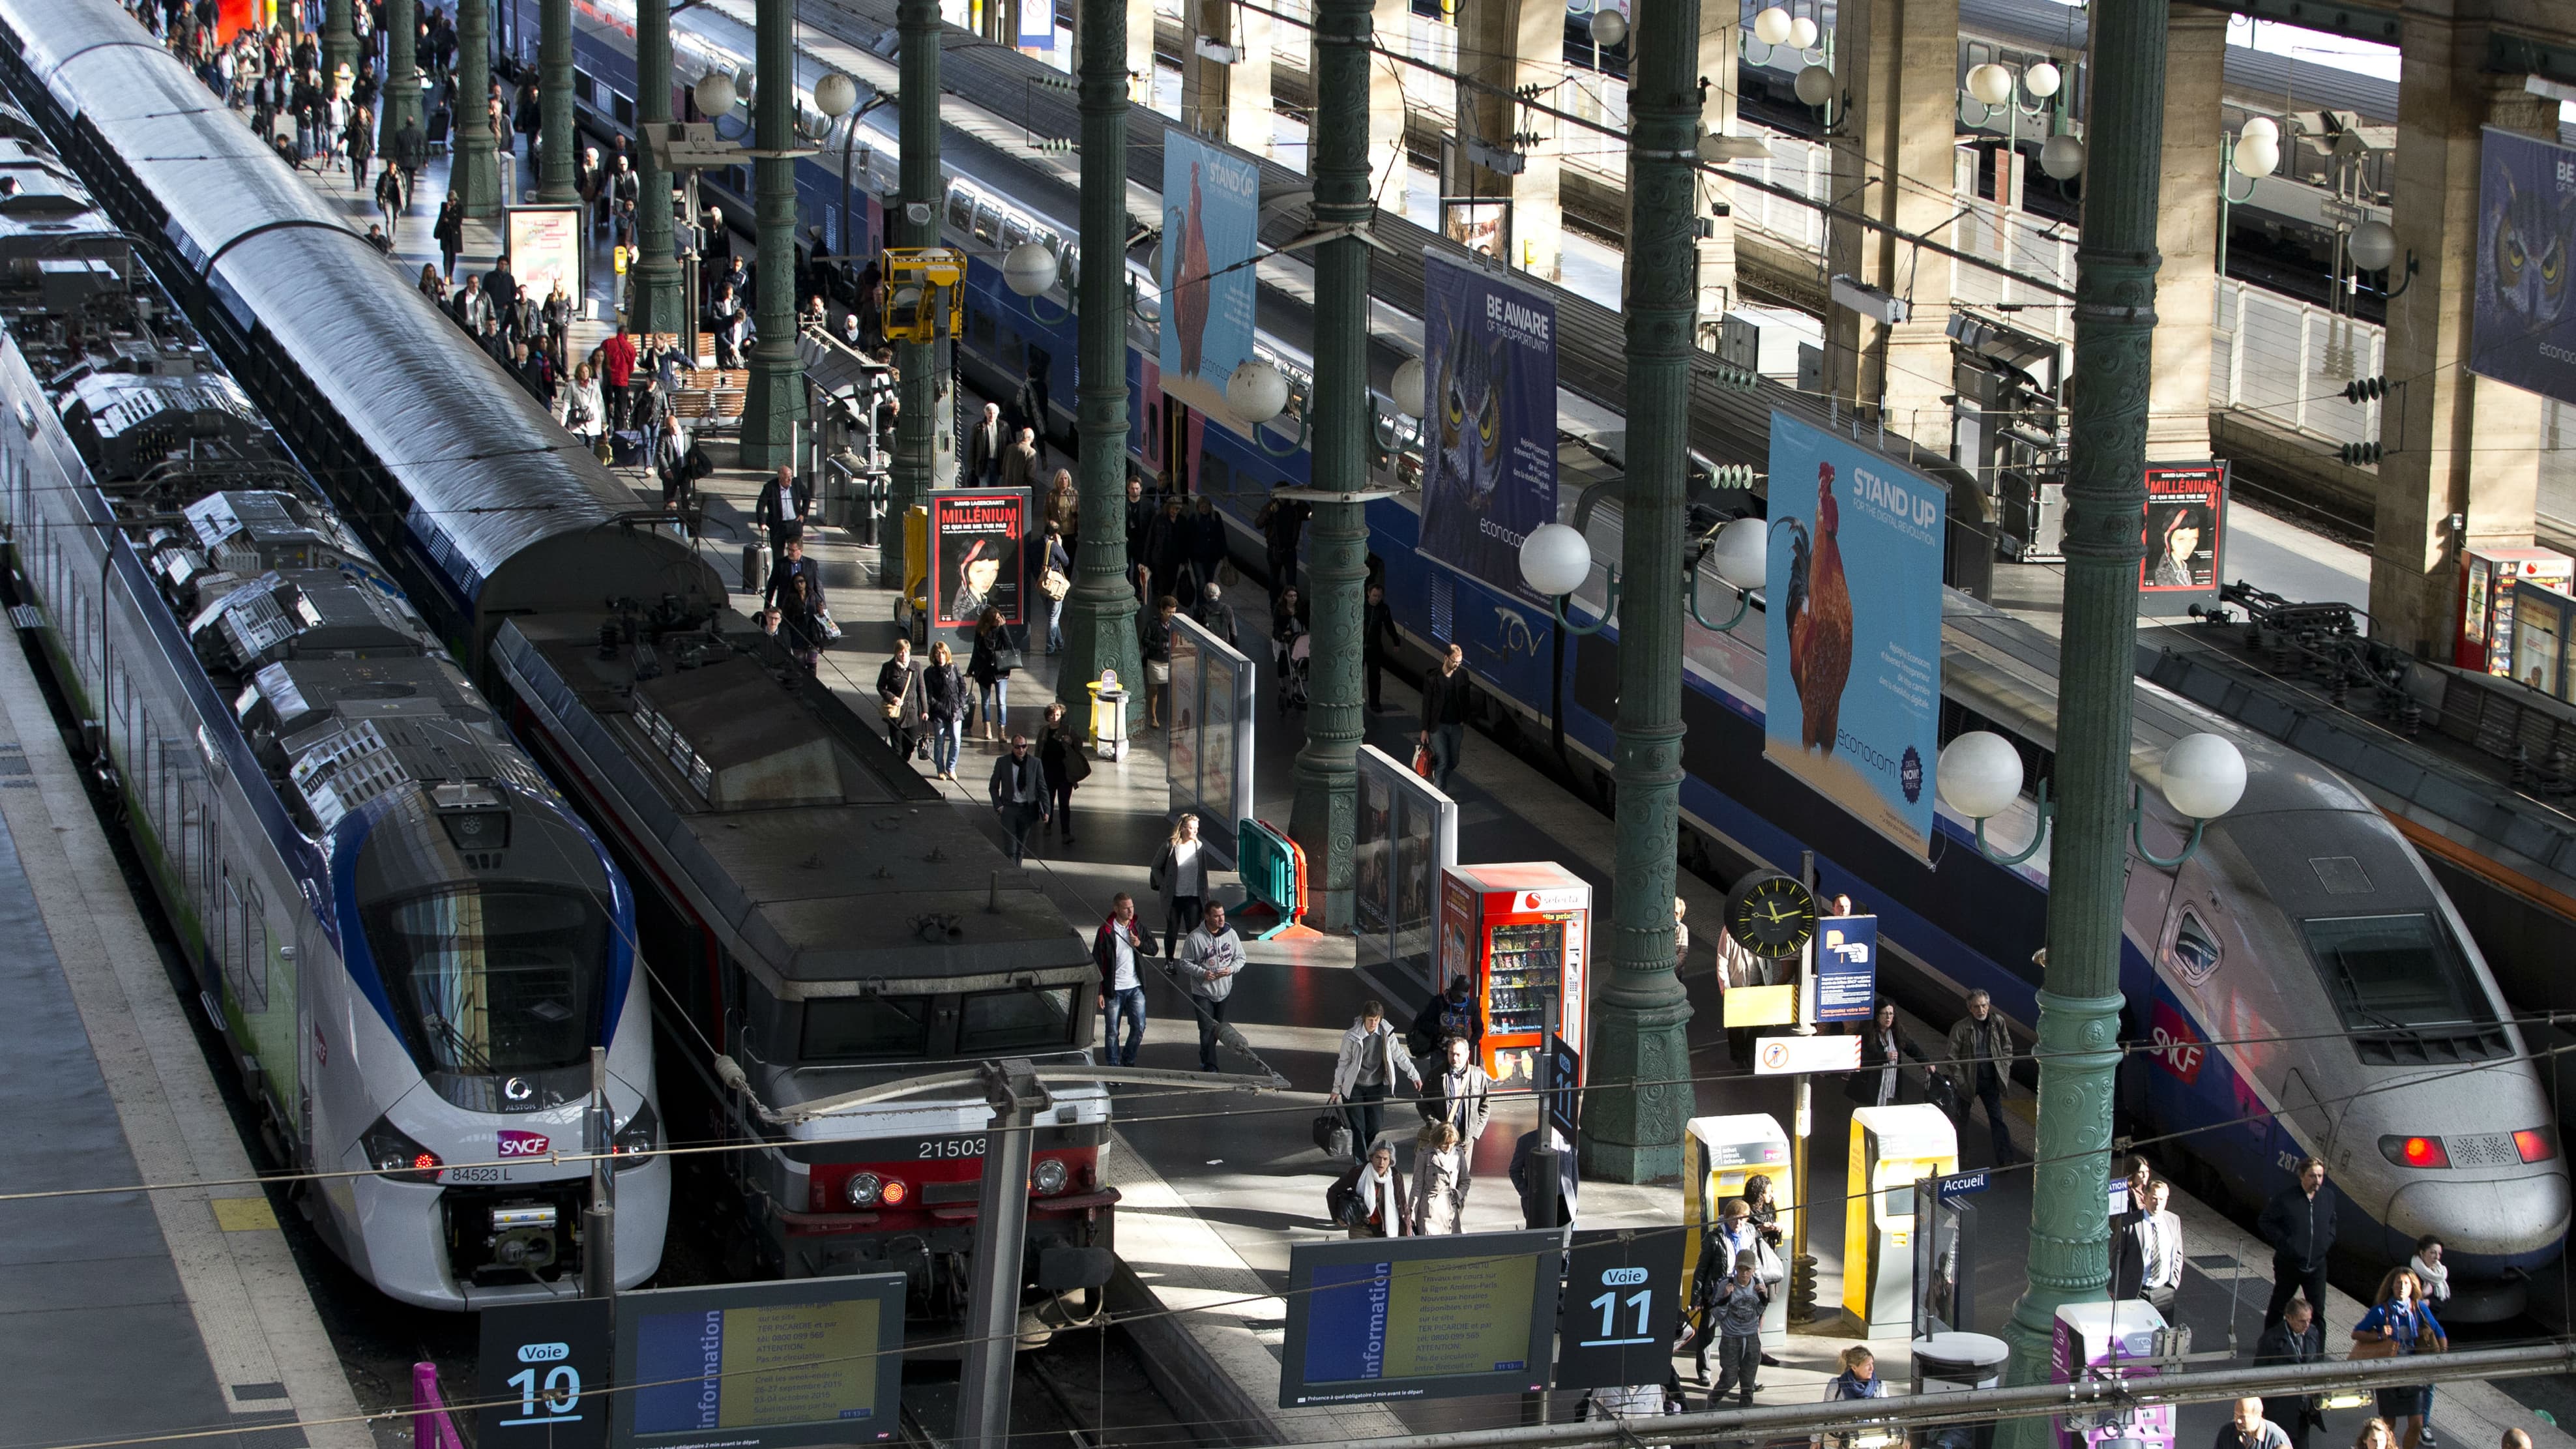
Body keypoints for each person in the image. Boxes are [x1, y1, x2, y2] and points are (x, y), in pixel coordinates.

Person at [2352, 1267, 2444, 1449]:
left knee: (2416, 1423)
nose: (2402, 1287)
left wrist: (2443, 1355)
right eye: (2398, 1283)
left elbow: (2439, 1331)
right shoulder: (2380, 1311)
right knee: (2388, 1424)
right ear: (2391, 1287)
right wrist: (2380, 1336)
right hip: (2389, 1374)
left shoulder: (2419, 1309)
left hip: (2412, 1373)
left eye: (2406, 1283)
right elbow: (2357, 1333)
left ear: (2413, 1287)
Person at [1327, 1001, 1422, 1164]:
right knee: (1358, 1127)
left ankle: (1361, 1150)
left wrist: (1414, 1075)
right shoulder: (1352, 1036)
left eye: (1376, 1020)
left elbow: (1399, 1055)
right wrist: (1336, 1088)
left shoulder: (1386, 1034)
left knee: (1375, 1126)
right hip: (1354, 1087)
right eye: (1370, 1020)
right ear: (1364, 1018)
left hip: (1375, 1086)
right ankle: (1361, 1164)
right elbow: (1343, 1063)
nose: (1373, 1024)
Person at [1945, 989, 2020, 1166]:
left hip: (1990, 1079)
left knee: (1997, 1119)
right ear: (1970, 1009)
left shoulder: (1998, 1022)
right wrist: (1961, 1081)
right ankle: (1960, 1160)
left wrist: (2004, 1067)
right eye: (1977, 1007)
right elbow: (1951, 1056)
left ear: (1989, 1006)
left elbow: (2007, 1047)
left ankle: (2006, 1160)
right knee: (1961, 1121)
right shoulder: (1961, 1027)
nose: (1981, 1010)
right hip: (1968, 1080)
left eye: (1984, 1005)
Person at [2261, 1157, 2336, 1332]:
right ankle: (2268, 1345)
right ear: (2302, 1176)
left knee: (2318, 1313)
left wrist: (2328, 1240)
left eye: (2320, 1176)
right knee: (2279, 1307)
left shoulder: (2328, 1197)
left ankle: (2317, 1354)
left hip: (2317, 1266)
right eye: (2312, 1176)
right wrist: (2286, 1243)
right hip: (2290, 1264)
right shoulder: (2287, 1199)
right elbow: (2266, 1221)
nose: (2317, 1181)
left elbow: (2332, 1221)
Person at [1175, 901, 1244, 1073]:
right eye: (1216, 916)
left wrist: (1230, 969)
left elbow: (1241, 958)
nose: (1221, 919)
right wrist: (1202, 973)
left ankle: (1205, 1054)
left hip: (1224, 991)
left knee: (1216, 1029)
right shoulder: (1195, 938)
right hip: (1202, 992)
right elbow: (1184, 963)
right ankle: (1211, 1065)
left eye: (1222, 915)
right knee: (1207, 1027)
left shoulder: (1231, 935)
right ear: (1207, 917)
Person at [2253, 1296, 2328, 1449]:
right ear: (2289, 1318)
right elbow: (2258, 1376)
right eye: (2302, 1321)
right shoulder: (2271, 1340)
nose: (2307, 1325)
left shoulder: (2313, 1333)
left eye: (2309, 1320)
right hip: (2281, 1410)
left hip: (2305, 1409)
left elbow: (2317, 1362)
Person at [1092, 893, 1154, 1067]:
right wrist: (1100, 992)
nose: (1130, 911)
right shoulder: (1105, 931)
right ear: (1116, 909)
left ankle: (1128, 1061)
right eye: (1126, 908)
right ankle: (1113, 1067)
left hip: (1135, 987)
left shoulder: (1137, 927)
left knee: (1139, 1028)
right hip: (1114, 990)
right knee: (1112, 1032)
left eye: (1132, 907)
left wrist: (1139, 944)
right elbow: (1097, 961)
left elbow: (1154, 949)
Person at [1700, 1250, 1769, 1404]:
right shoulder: (1726, 1284)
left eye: (1748, 1270)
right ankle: (1712, 1403)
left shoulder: (1758, 1285)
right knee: (1729, 1379)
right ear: (1736, 1268)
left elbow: (1759, 1311)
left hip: (1751, 1338)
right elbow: (1717, 1314)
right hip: (1731, 1339)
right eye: (1741, 1269)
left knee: (1748, 1384)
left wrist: (1764, 1299)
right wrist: (1725, 1298)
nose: (1744, 1274)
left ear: (1753, 1270)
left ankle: (1742, 1420)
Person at [2112, 1177, 2184, 1315]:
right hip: (2135, 1290)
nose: (2157, 1204)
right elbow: (2115, 1255)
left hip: (2164, 1292)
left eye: (2162, 1200)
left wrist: (2173, 1283)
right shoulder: (2128, 1223)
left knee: (2163, 1333)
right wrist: (2112, 1287)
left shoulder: (2174, 1221)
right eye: (2154, 1199)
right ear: (2145, 1198)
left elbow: (2178, 1253)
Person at [2409, 1236, 2452, 1444]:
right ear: (2421, 1253)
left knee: (2429, 1383)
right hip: (2413, 1336)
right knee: (2412, 1383)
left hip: (2430, 1335)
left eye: (2439, 1254)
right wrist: (2425, 1303)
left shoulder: (2438, 1276)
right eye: (2432, 1252)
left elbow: (2439, 1305)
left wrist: (2425, 1302)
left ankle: (2422, 1425)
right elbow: (2409, 1305)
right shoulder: (2411, 1274)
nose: (2436, 1257)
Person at [1844, 997, 1922, 1109]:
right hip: (1866, 1091)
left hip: (1889, 1092)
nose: (1888, 1017)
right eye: (1885, 1014)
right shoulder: (1866, 1033)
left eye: (1891, 1014)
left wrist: (1926, 1063)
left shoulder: (1896, 1033)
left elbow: (1911, 1047)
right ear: (1877, 1016)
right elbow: (1859, 1058)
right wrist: (1884, 1057)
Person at [1150, 813, 1210, 958]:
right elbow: (1155, 867)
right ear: (1183, 828)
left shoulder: (1200, 847)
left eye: (1197, 828)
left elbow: (1203, 874)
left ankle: (1193, 960)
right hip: (1174, 897)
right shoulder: (1171, 845)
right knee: (1172, 930)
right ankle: (1169, 960)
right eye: (1191, 827)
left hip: (1194, 896)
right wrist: (1164, 884)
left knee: (1193, 931)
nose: (1195, 831)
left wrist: (1206, 896)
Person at [987, 733, 1050, 864]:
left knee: (1021, 847)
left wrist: (1047, 810)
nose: (1021, 750)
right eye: (1017, 747)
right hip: (1009, 808)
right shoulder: (1003, 762)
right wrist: (998, 805)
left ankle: (1017, 872)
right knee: (1011, 847)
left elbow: (1042, 787)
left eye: (1024, 746)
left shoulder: (1035, 763)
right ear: (1012, 747)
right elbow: (993, 786)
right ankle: (1012, 874)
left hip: (1027, 810)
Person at [1326, 1143, 1410, 1238]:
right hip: (1360, 1227)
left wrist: (1408, 1232)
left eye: (1385, 1159)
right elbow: (1332, 1192)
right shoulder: (1358, 1172)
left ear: (1390, 1161)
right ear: (1371, 1158)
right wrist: (1337, 1217)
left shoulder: (1395, 1177)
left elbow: (1403, 1205)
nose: (1381, 1163)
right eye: (1378, 1157)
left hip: (1384, 1229)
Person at [1425, 1034, 1493, 1145]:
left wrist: (1475, 1133)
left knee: (1464, 1164)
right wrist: (1436, 1125)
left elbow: (1485, 1106)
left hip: (1466, 1140)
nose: (1454, 1058)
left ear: (1467, 1054)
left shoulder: (1478, 1075)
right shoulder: (1436, 1074)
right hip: (1442, 1139)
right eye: (1451, 1053)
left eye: (1458, 1054)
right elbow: (1423, 1103)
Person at [1419, 643, 1469, 791]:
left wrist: (1465, 719)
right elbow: (1426, 705)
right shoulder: (1432, 679)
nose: (1457, 665)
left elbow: (1466, 699)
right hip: (1438, 726)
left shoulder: (1463, 675)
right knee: (1444, 759)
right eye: (1455, 661)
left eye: (1460, 662)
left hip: (1456, 726)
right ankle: (1439, 793)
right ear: (1446, 658)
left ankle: (1439, 773)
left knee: (1454, 761)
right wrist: (1424, 730)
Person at [1036, 701, 1087, 843]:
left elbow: (1079, 746)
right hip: (1048, 771)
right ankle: (1048, 824)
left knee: (1064, 803)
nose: (1055, 718)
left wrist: (1071, 742)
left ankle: (1066, 832)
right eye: (1052, 715)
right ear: (1048, 717)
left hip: (1065, 773)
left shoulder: (1068, 730)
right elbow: (1039, 751)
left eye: (1058, 715)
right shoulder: (1043, 732)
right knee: (1048, 801)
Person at [1508, 1127, 1578, 1227]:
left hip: (1564, 1203)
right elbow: (1514, 1171)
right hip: (1537, 1204)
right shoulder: (1526, 1141)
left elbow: (1574, 1175)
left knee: (1563, 1240)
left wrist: (1574, 1203)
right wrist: (1527, 1194)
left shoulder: (1568, 1142)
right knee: (1537, 1240)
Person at [1409, 1120, 1468, 1235]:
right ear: (1437, 1141)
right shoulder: (1424, 1155)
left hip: (1450, 1207)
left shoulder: (1458, 1153)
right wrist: (1412, 1211)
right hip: (1430, 1209)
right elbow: (1417, 1184)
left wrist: (1458, 1196)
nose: (1449, 1147)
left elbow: (1465, 1180)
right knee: (1431, 1246)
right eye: (1445, 1143)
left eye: (1452, 1143)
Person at [968, 607, 1017, 744]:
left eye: (999, 618)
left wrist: (1004, 627)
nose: (998, 621)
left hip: (1000, 670)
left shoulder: (1001, 629)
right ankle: (987, 728)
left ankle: (1002, 730)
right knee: (986, 701)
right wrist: (971, 669)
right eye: (995, 619)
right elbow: (975, 652)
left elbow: (1009, 646)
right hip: (984, 670)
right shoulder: (981, 632)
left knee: (1001, 701)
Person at [921, 641, 968, 780]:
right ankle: (940, 769)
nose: (941, 656)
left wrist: (960, 702)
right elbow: (929, 695)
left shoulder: (954, 668)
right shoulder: (929, 672)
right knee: (939, 741)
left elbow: (962, 686)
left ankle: (951, 767)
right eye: (938, 653)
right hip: (939, 711)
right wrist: (938, 706)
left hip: (955, 709)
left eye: (943, 653)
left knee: (956, 740)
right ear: (934, 655)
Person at [1409, 974, 1484, 1060]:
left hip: (1460, 1055)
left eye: (1462, 996)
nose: (1460, 999)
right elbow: (1423, 1023)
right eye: (1458, 995)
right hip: (1439, 1052)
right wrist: (1440, 1029)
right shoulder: (1439, 1002)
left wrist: (1469, 1045)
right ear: (1452, 990)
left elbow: (1479, 1030)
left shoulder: (1471, 1006)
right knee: (1438, 1073)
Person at [875, 637, 925, 759]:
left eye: (906, 652)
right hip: (896, 715)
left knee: (911, 743)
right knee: (897, 747)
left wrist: (925, 710)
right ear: (896, 652)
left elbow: (921, 689)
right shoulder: (888, 667)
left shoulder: (916, 666)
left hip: (912, 713)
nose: (904, 655)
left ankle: (904, 761)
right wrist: (893, 698)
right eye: (901, 652)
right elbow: (880, 686)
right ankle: (901, 769)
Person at [1139, 594, 1177, 729]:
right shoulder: (1154, 624)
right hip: (1156, 660)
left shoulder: (1176, 625)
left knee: (1174, 690)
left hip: (1170, 661)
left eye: (1174, 612)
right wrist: (1160, 646)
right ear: (1162, 610)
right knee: (1154, 689)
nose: (1172, 615)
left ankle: (1174, 717)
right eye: (1169, 612)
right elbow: (1145, 640)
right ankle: (1153, 717)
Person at [1362, 580, 1397, 713]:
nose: (1376, 599)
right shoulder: (1362, 605)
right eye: (1374, 596)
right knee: (1355, 675)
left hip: (1374, 647)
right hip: (1360, 646)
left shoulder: (1384, 609)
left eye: (1379, 596)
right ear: (1368, 594)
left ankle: (1375, 703)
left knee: (1375, 676)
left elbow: (1389, 625)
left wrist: (1396, 641)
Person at [600, 320, 637, 435]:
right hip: (622, 380)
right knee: (621, 407)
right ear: (626, 335)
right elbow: (631, 367)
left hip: (608, 378)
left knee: (606, 403)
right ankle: (619, 430)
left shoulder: (607, 343)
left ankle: (605, 430)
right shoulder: (631, 348)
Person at [1040, 525, 1072, 654]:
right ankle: (1050, 647)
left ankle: (1060, 643)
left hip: (1042, 584)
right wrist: (1060, 545)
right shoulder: (1053, 546)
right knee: (1054, 617)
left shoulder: (1036, 544)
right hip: (1054, 586)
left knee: (1052, 616)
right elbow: (1066, 561)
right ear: (1055, 534)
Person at [559, 360, 604, 449]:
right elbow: (567, 402)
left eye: (587, 371)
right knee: (581, 446)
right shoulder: (572, 385)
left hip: (593, 420)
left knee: (591, 447)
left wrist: (604, 420)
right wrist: (562, 421)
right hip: (578, 420)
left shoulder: (595, 384)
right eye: (583, 372)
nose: (585, 374)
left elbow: (600, 402)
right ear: (578, 373)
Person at [2215, 1399, 2294, 1449]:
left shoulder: (2276, 1438)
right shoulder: (2226, 1433)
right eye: (2236, 1415)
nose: (2238, 1421)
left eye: (2243, 1417)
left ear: (2258, 1415)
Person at [1822, 1347, 1888, 1400]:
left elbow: (1888, 1412)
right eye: (1867, 1365)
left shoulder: (1880, 1387)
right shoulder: (1836, 1385)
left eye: (1872, 1364)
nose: (1872, 1369)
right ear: (1854, 1368)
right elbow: (1826, 1412)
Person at [968, 401, 1005, 486]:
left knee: (995, 487)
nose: (992, 416)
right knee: (984, 487)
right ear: (985, 413)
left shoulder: (1004, 427)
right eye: (990, 413)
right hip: (983, 463)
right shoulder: (978, 428)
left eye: (994, 413)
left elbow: (1008, 444)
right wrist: (972, 466)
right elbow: (972, 447)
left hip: (997, 463)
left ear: (998, 414)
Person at [432, 187, 464, 280]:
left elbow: (458, 222)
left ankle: (451, 275)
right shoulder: (444, 207)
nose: (453, 202)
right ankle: (446, 275)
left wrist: (448, 221)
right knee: (447, 256)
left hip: (455, 235)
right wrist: (448, 210)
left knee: (453, 257)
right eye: (451, 200)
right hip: (445, 235)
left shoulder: (460, 207)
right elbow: (442, 219)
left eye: (454, 200)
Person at [373, 157, 404, 242]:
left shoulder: (400, 176)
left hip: (398, 201)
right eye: (391, 168)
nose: (393, 170)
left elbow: (405, 188)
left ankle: (393, 236)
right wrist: (380, 198)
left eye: (394, 168)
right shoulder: (383, 176)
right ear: (388, 167)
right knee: (389, 220)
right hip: (387, 201)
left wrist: (405, 200)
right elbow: (378, 188)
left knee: (396, 219)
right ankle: (391, 239)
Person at [1001, 425, 1039, 491]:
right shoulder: (1031, 452)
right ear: (1031, 439)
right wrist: (1033, 488)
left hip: (1007, 486)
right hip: (1022, 489)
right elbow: (1030, 474)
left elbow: (1003, 467)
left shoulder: (1010, 448)